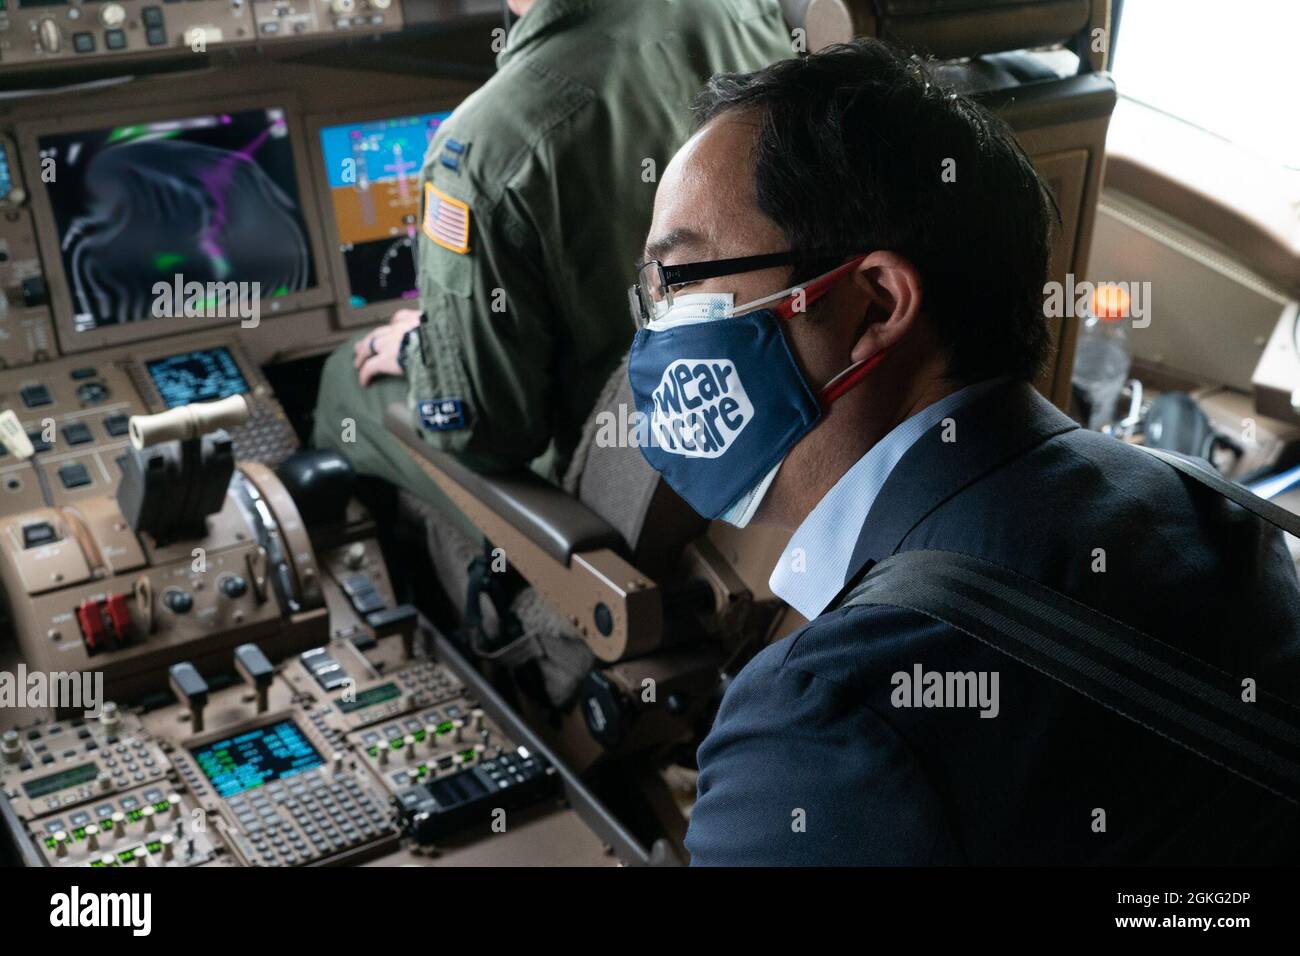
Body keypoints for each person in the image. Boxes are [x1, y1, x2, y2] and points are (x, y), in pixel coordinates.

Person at [626, 39, 1300, 864]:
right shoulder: (1214, 513)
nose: (655, 330)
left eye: (681, 280)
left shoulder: (825, 723)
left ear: (875, 303)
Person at [312, 0, 794, 513]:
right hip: (778, 419)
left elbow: (486, 434)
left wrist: (422, 351)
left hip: (617, 497)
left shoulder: (483, 143)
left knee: (344, 378)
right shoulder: (750, 10)